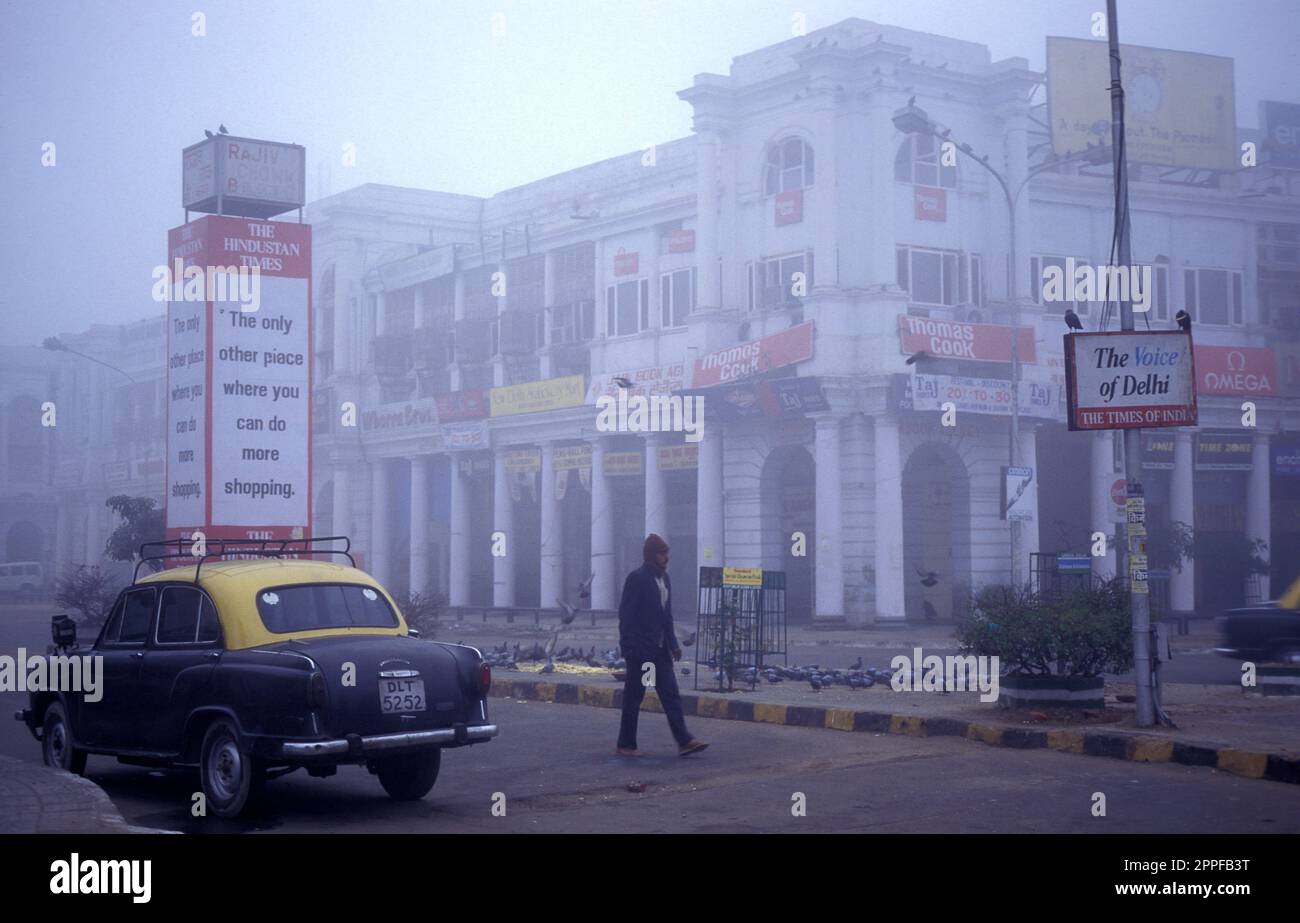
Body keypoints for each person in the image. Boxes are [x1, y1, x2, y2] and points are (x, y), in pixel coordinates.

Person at [616, 533, 708, 757]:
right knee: (634, 698)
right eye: (662, 553)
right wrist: (629, 648)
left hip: (660, 650)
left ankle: (684, 740)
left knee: (671, 695)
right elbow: (626, 615)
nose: (667, 557)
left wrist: (674, 644)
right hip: (640, 651)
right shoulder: (637, 578)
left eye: (667, 553)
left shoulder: (664, 579)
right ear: (652, 555)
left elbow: (666, 616)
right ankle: (626, 744)